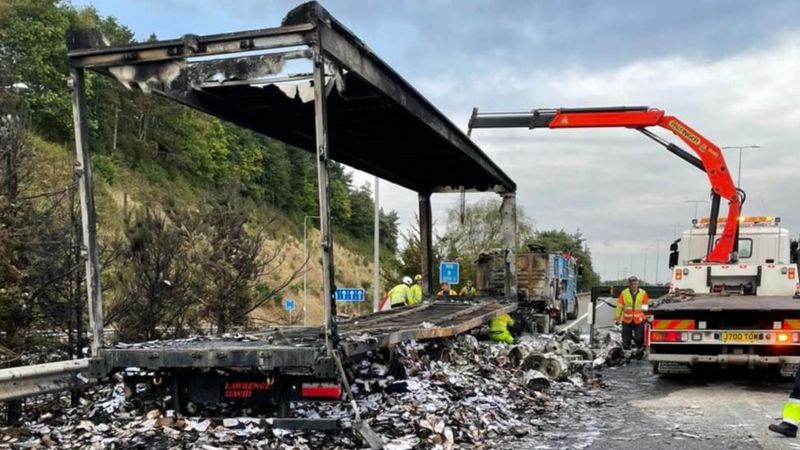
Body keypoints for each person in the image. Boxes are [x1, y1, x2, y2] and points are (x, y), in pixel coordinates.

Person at [614, 276, 649, 349]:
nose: (634, 286)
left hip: (639, 321)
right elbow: (619, 306)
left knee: (639, 339)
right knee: (626, 341)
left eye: (635, 284)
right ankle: (627, 353)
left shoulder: (643, 293)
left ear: (638, 284)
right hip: (627, 321)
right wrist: (617, 319)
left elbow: (645, 308)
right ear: (629, 285)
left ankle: (639, 351)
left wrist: (646, 318)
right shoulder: (624, 293)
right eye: (632, 284)